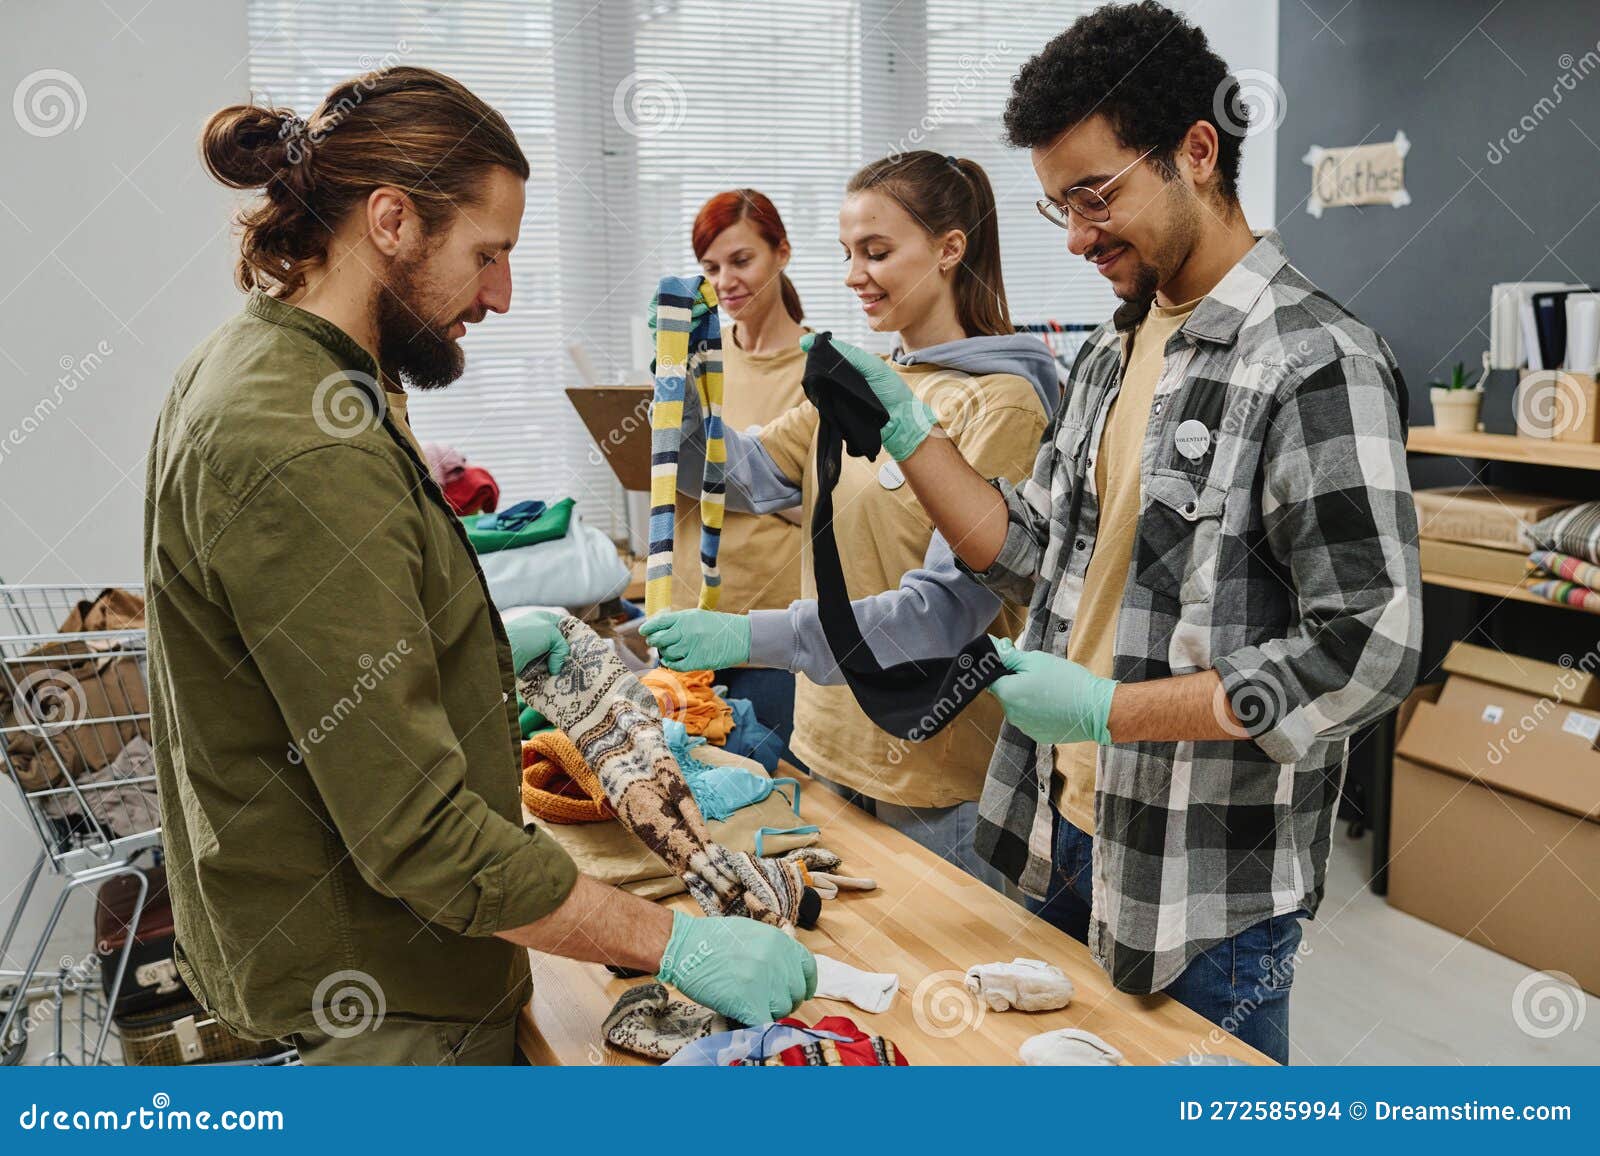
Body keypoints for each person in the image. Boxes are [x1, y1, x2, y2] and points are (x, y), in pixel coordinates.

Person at [143, 67, 813, 1066]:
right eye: (486, 253)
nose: (501, 293)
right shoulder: (302, 440)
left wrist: (476, 644)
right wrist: (674, 940)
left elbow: (318, 661)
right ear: (391, 221)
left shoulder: (280, 366)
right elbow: (417, 834)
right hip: (379, 1010)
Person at [801, 3, 1421, 1064]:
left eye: (1095, 195)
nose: (1080, 235)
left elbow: (1370, 645)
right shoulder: (1108, 350)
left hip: (1202, 884)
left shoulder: (1312, 359)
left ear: (1195, 151)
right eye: (1058, 209)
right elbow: (1032, 544)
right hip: (1062, 826)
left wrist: (1113, 708)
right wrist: (907, 430)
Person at [642, 152, 1058, 891]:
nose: (853, 275)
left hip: (934, 781)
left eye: (876, 252)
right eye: (847, 254)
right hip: (828, 753)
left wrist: (749, 634)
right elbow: (737, 477)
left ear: (949, 249)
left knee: (951, 997)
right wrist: (683, 372)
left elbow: (941, 616)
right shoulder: (867, 378)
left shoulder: (1003, 404)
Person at [668, 190, 808, 760]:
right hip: (685, 622)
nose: (725, 280)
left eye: (741, 260)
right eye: (711, 267)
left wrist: (753, 486)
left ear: (782, 253)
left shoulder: (822, 368)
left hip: (768, 634)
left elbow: (836, 505)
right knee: (688, 797)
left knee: (774, 806)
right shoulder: (697, 362)